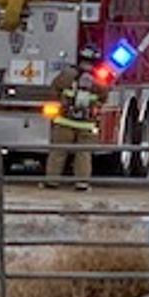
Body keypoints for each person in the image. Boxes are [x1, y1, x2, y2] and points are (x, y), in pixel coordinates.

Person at [44, 47, 101, 190]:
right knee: (83, 154)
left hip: (64, 122)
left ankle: (52, 182)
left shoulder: (67, 74)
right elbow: (104, 96)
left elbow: (54, 89)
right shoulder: (99, 78)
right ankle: (82, 183)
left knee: (58, 152)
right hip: (86, 125)